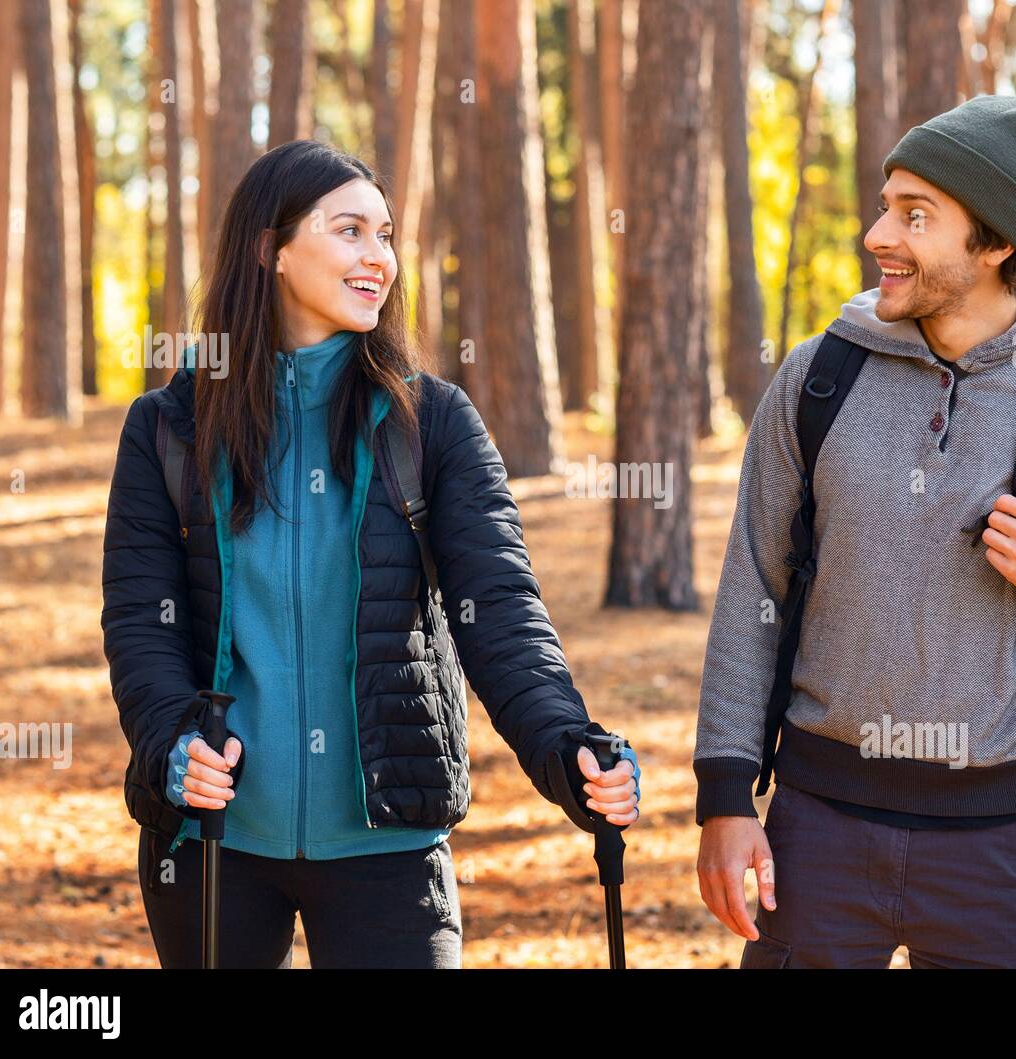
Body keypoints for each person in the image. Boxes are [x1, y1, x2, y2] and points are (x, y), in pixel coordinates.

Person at [102, 140, 640, 969]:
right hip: (213, 838)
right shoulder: (169, 429)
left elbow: (498, 611)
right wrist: (173, 743)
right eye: (349, 230)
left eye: (386, 235)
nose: (379, 258)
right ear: (269, 249)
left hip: (389, 841)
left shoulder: (434, 424)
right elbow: (141, 621)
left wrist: (567, 744)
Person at [693, 95, 1016, 969]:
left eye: (915, 215)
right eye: (887, 204)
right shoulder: (817, 379)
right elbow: (754, 591)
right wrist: (726, 797)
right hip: (818, 831)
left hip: (1001, 853)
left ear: (996, 242)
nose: (877, 234)